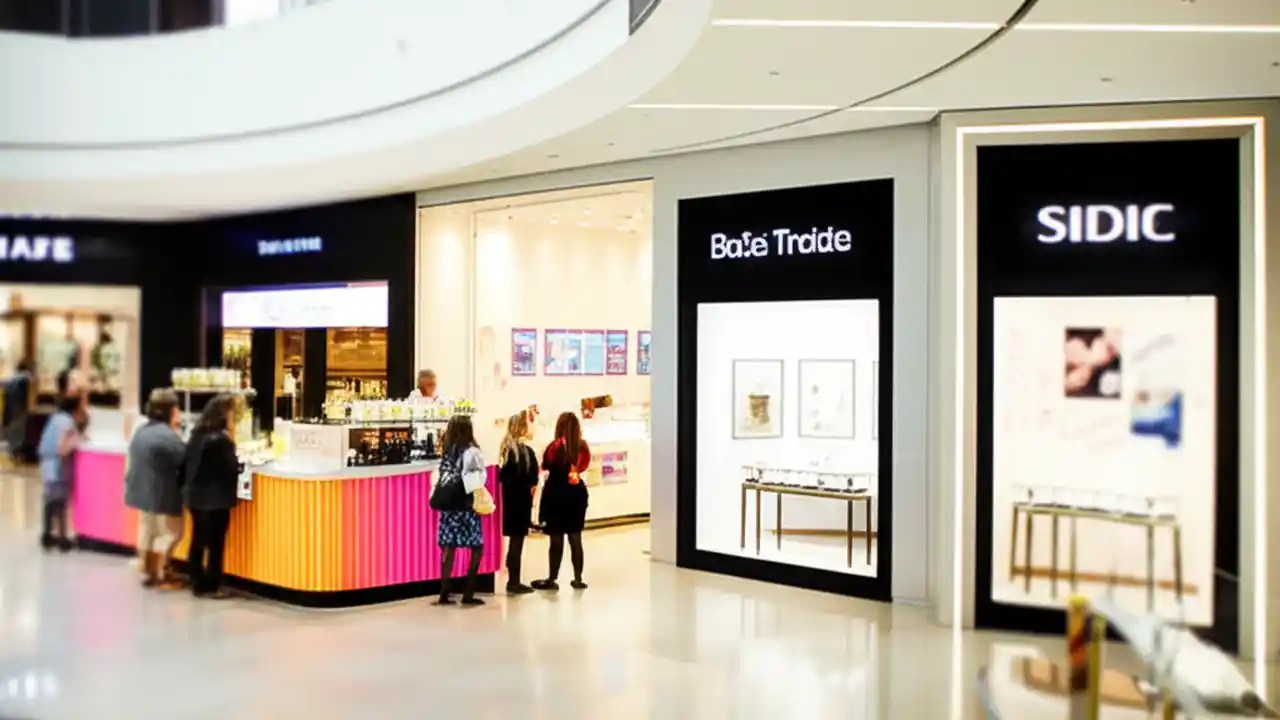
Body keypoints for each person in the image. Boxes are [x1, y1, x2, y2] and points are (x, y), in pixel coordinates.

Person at [123, 389, 187, 589]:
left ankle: (148, 572)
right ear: (172, 411)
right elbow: (184, 460)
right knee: (170, 533)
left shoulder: (141, 430)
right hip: (162, 494)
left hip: (140, 493)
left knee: (149, 533)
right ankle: (161, 573)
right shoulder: (168, 436)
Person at [182, 395, 239, 599]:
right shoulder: (222, 441)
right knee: (215, 544)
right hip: (216, 500)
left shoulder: (196, 435)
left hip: (195, 496)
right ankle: (213, 585)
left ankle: (196, 581)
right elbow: (231, 469)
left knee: (198, 540)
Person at [532, 412, 591, 591]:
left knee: (556, 540)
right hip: (576, 495)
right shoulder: (582, 447)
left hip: (556, 495)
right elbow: (583, 465)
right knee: (575, 538)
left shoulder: (554, 447)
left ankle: (552, 578)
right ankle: (578, 578)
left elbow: (546, 464)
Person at [434, 414, 487, 606]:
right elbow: (474, 481)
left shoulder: (448, 451)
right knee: (477, 548)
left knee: (449, 547)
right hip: (465, 507)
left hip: (449, 507)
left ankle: (444, 592)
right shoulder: (472, 452)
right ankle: (468, 592)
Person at [497, 411, 538, 594]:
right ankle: (514, 581)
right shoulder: (525, 453)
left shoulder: (505, 450)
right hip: (521, 503)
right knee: (517, 542)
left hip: (507, 502)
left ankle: (510, 573)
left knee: (512, 541)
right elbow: (533, 478)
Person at [37, 393, 83, 551]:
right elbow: (63, 446)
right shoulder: (68, 422)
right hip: (59, 464)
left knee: (49, 500)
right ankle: (63, 538)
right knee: (60, 502)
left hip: (46, 463)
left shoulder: (55, 418)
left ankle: (47, 535)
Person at [4, 359, 33, 460]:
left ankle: (13, 452)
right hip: (21, 409)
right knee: (20, 432)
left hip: (11, 410)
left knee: (13, 432)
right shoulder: (26, 378)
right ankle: (17, 452)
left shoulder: (10, 380)